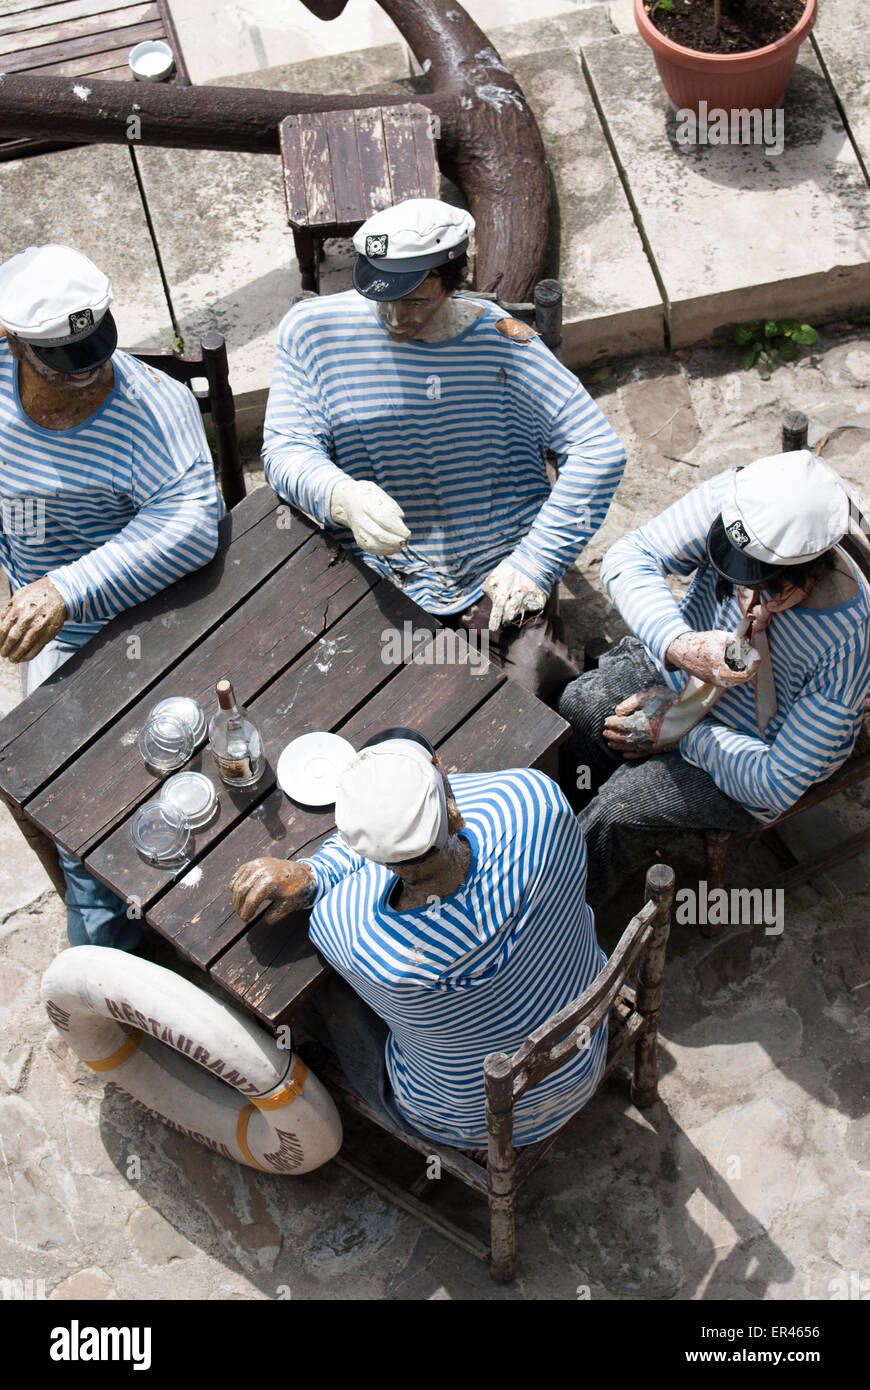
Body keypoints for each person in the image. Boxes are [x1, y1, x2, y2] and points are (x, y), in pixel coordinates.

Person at [262, 198, 626, 705]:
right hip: (371, 568)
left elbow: (599, 450)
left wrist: (536, 562)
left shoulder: (505, 346)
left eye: (414, 301)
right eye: (380, 297)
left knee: (538, 698)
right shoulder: (314, 332)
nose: (393, 317)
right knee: (332, 703)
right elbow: (284, 447)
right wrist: (341, 495)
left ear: (452, 279)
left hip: (492, 573)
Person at [0, 244, 225, 948]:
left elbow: (194, 528)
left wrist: (66, 588)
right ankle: (113, 963)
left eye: (98, 349)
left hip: (154, 616)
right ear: (11, 343)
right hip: (58, 642)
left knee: (204, 771)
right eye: (67, 362)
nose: (93, 372)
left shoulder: (150, 409)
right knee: (78, 813)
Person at [230, 729, 608, 1148]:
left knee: (325, 992)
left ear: (371, 857)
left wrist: (315, 873)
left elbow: (341, 889)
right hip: (586, 1046)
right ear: (451, 803)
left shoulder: (353, 935)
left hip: (477, 1124)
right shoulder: (535, 802)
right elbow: (462, 799)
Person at [557, 451, 870, 903]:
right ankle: (565, 819)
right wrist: (678, 644)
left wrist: (679, 731)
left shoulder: (848, 639)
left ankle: (559, 912)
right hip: (678, 674)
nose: (745, 594)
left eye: (762, 584)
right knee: (581, 705)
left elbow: (776, 781)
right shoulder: (737, 499)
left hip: (750, 746)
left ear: (814, 570)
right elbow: (629, 557)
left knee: (621, 808)